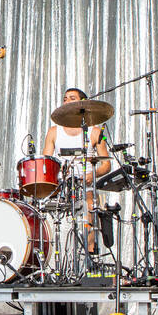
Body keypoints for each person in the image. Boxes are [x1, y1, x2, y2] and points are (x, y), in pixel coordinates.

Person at [42, 87, 111, 257]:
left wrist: (90, 176)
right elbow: (45, 163)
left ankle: (88, 256)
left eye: (71, 98)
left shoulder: (95, 132)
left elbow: (106, 164)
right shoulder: (53, 132)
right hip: (61, 186)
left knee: (91, 206)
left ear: (82, 104)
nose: (66, 101)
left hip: (85, 186)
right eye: (65, 98)